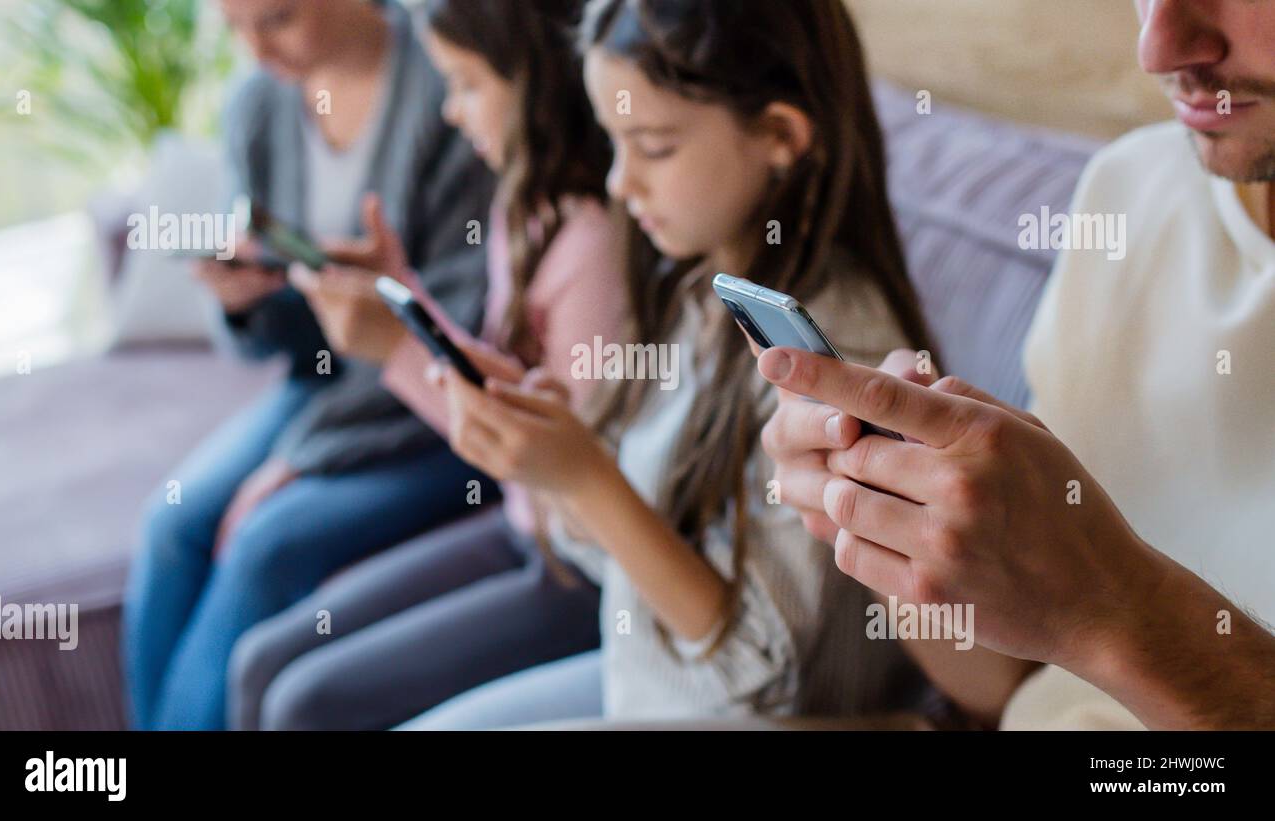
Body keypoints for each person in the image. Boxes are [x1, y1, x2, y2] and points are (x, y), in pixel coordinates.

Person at [401, 0, 937, 729]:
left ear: (780, 135)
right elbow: (630, 570)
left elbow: (757, 671)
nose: (620, 184)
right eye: (612, 143)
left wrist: (589, 480)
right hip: (654, 684)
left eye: (651, 146)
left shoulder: (832, 354)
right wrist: (557, 459)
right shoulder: (697, 291)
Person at [757, 0, 1275, 730]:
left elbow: (1095, 621)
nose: (1157, 47)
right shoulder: (1131, 189)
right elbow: (1006, 684)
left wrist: (1115, 605)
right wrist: (882, 510)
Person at [225, 0, 625, 730]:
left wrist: (397, 347)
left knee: (304, 703)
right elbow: (497, 378)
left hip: (582, 559)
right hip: (523, 526)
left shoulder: (591, 242)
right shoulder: (521, 204)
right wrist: (403, 292)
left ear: (535, 79)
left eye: (468, 85)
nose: (448, 111)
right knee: (259, 662)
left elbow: (531, 455)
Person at [122, 0, 493, 730]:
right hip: (324, 386)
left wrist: (301, 459)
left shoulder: (452, 79)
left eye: (278, 19)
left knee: (267, 540)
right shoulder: (258, 106)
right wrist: (243, 303)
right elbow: (277, 346)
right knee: (168, 524)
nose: (257, 52)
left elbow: (465, 326)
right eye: (235, 30)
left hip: (436, 408)